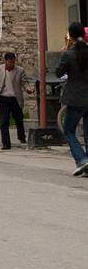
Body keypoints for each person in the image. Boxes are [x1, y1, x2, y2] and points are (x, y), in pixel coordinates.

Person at [56, 23, 88, 176]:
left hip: (75, 98)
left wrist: (62, 53)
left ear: (71, 35)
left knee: (69, 129)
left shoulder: (68, 54)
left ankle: (82, 159)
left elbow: (58, 72)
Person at [0, 50, 29, 151]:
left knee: (18, 119)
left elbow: (24, 82)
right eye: (10, 62)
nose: (12, 64)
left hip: (15, 98)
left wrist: (28, 89)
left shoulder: (20, 70)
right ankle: (6, 143)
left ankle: (21, 137)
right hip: (3, 98)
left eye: (13, 62)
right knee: (4, 121)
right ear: (5, 61)